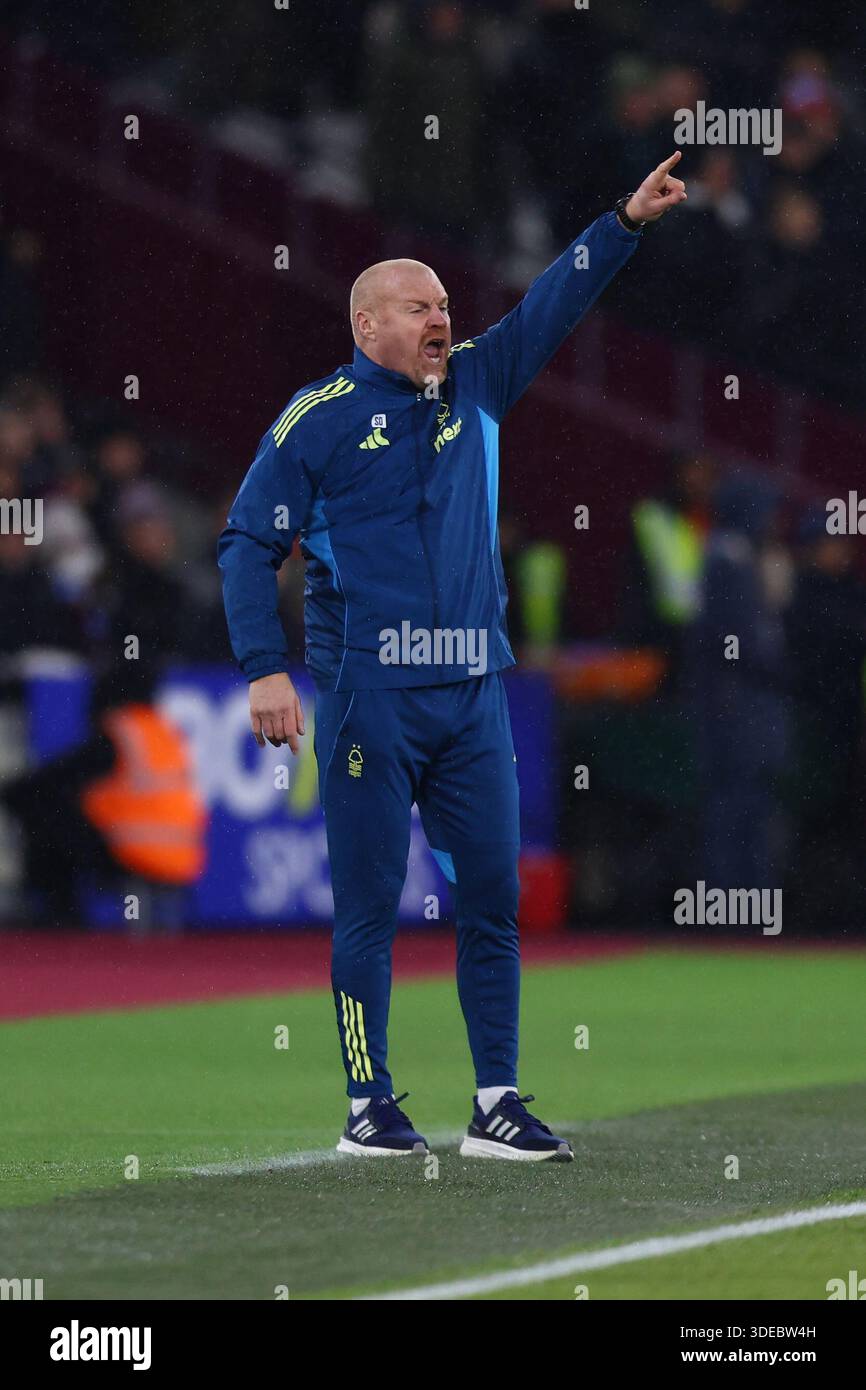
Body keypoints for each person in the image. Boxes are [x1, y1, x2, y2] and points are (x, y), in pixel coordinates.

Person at [219, 155, 687, 1160]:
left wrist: (621, 222)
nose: (440, 318)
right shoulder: (318, 421)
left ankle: (495, 1101)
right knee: (366, 906)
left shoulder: (476, 379)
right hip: (368, 696)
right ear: (365, 327)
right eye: (417, 307)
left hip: (472, 694)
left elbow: (548, 308)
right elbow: (245, 542)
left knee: (492, 898)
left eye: (441, 303)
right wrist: (265, 665)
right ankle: (365, 1103)